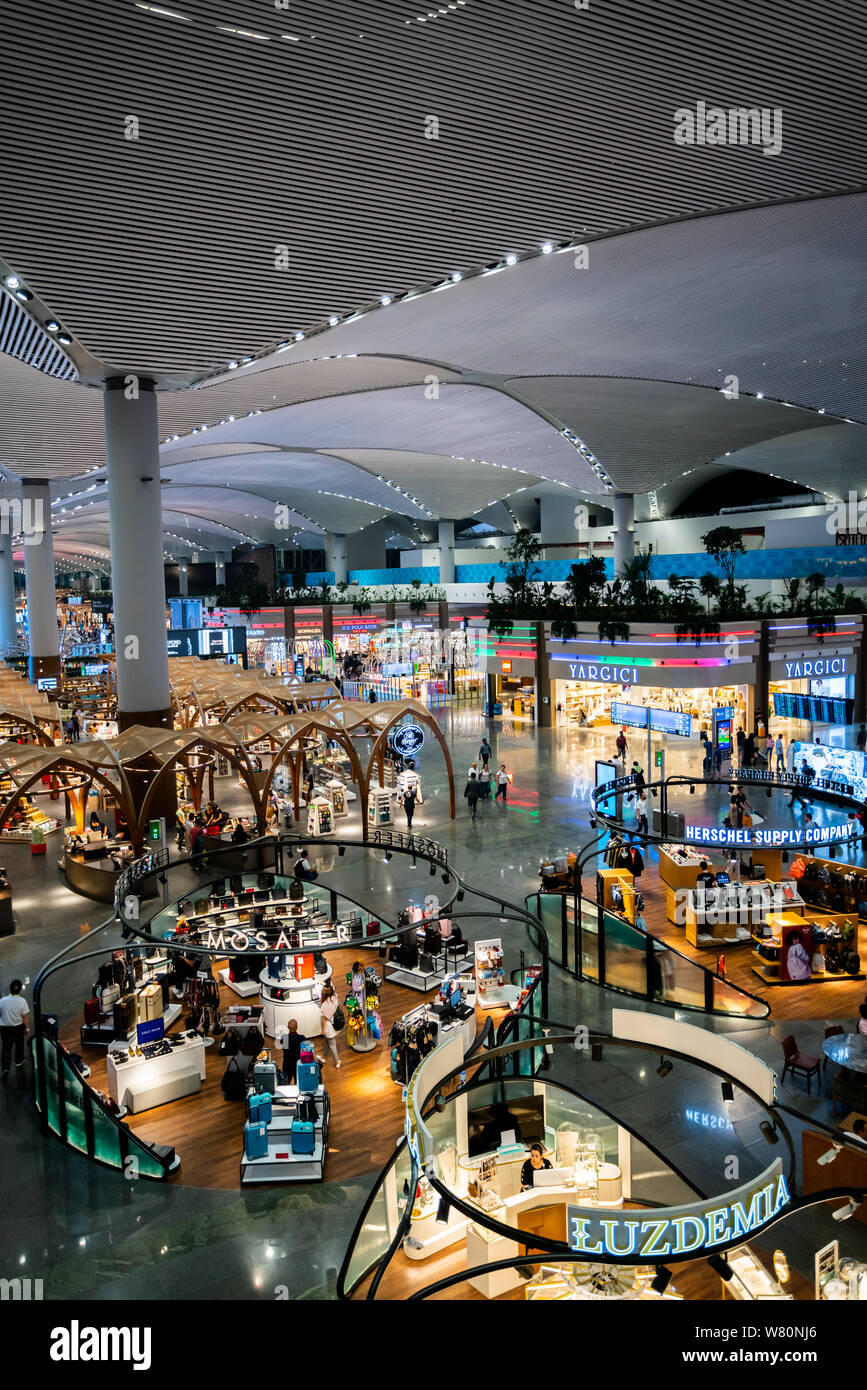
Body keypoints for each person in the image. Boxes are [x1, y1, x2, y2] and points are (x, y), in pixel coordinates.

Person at [0, 979, 29, 1081]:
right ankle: (19, 1063)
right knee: (19, 1045)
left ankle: (5, 1068)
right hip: (18, 1028)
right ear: (20, 989)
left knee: (6, 1048)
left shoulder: (2, 1001)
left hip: (5, 1028)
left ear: (10, 988)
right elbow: (24, 1016)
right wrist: (27, 1028)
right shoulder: (22, 1001)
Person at [319, 983, 341, 1069]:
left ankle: (337, 1060)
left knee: (332, 1044)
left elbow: (324, 1020)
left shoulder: (324, 1005)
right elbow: (333, 991)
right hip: (336, 1023)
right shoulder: (335, 996)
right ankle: (324, 1057)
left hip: (329, 1026)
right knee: (326, 1041)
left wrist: (322, 1030)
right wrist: (325, 985)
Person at [279, 1019, 306, 1084]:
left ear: (288, 1027)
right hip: (298, 1064)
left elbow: (285, 1050)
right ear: (297, 1027)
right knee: (298, 1082)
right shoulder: (301, 1038)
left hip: (287, 1064)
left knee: (286, 1083)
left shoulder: (285, 1038)